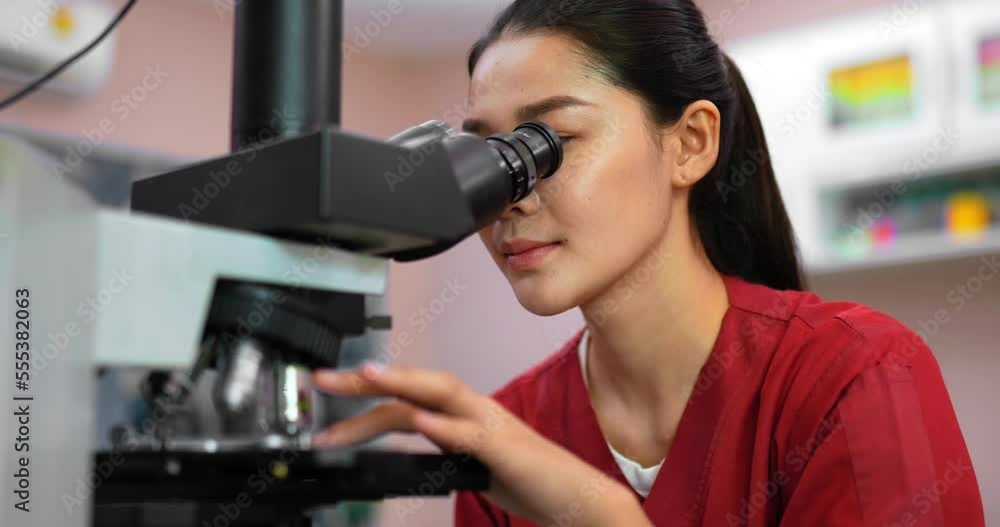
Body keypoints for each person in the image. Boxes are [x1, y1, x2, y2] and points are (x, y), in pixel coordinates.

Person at [312, 0, 985, 525]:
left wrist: (600, 513)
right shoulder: (507, 433)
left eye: (548, 143)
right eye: (487, 158)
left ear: (690, 143)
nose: (507, 199)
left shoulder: (855, 377)